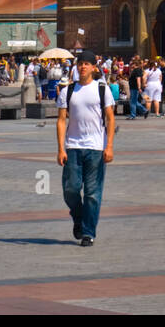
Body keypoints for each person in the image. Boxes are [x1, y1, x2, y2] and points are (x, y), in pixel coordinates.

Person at [57, 51, 115, 247]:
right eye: (80, 64)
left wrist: (109, 146)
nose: (82, 67)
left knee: (92, 193)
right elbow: (61, 120)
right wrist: (60, 148)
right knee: (70, 189)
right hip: (73, 146)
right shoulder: (68, 91)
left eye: (86, 64)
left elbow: (110, 118)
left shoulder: (102, 89)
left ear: (93, 68)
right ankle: (78, 217)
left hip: (96, 148)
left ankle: (88, 232)